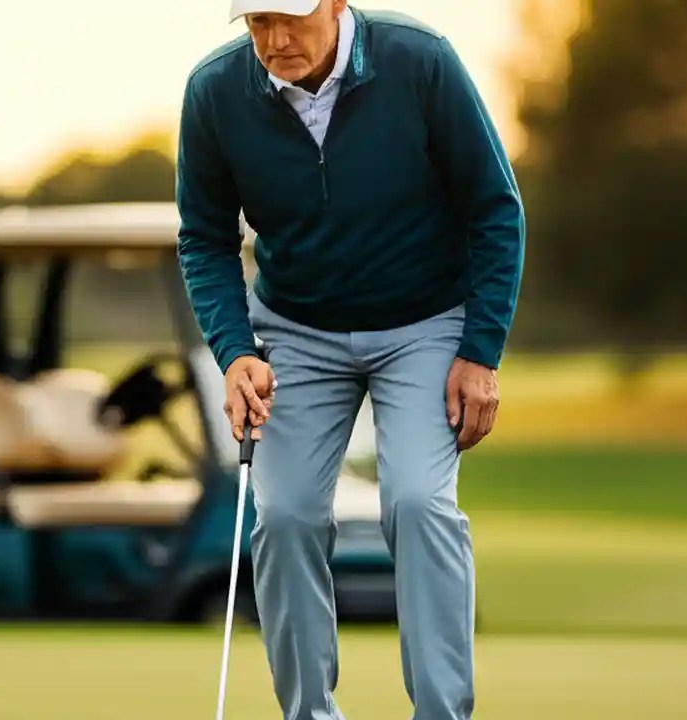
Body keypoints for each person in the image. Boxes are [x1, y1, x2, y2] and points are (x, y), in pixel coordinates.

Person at [175, 0, 524, 718]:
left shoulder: (419, 60)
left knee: (419, 503)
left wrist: (480, 352)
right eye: (257, 24)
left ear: (335, 3)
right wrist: (236, 352)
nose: (275, 41)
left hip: (425, 321)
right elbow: (205, 239)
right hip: (297, 329)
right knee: (288, 516)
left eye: (291, 20)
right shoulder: (213, 91)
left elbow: (495, 209)